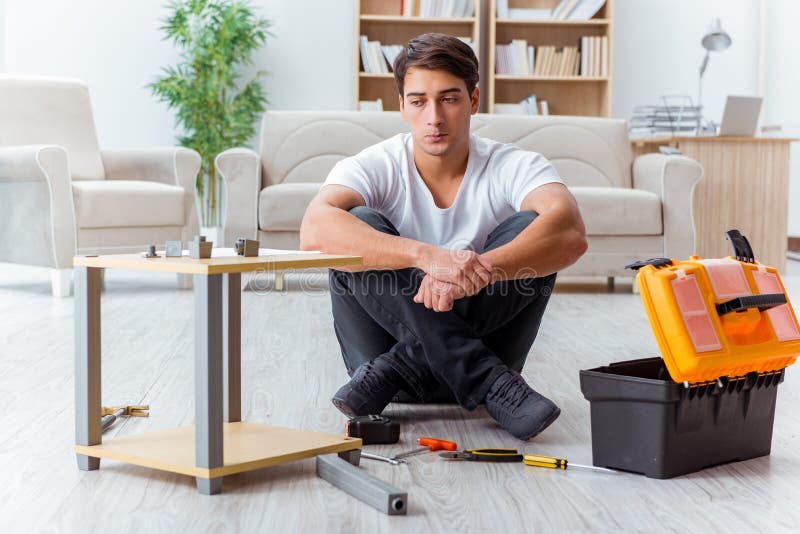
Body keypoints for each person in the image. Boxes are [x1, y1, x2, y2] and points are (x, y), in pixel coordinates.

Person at [299, 33, 587, 440]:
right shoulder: (377, 164)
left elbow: (571, 232)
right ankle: (485, 379)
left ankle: (406, 363)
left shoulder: (512, 164)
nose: (434, 117)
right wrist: (423, 256)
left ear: (473, 100)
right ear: (402, 106)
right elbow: (313, 231)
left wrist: (478, 269)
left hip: (380, 384)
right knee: (356, 222)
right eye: (418, 101)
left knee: (532, 230)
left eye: (449, 99)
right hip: (458, 382)